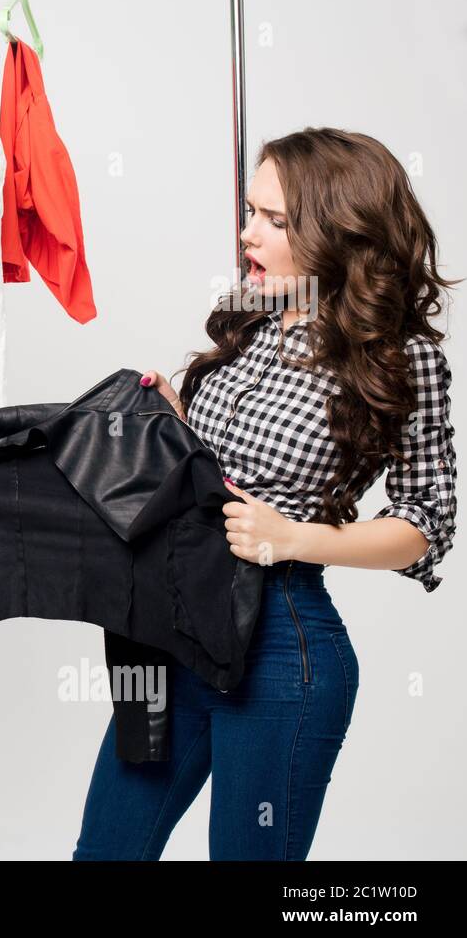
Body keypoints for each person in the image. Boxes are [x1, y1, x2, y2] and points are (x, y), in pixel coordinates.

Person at [74, 127, 458, 860]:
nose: (248, 234)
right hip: (164, 632)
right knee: (105, 852)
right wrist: (171, 421)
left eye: (275, 221)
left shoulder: (401, 357)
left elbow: (425, 525)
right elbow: (215, 474)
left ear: (338, 231)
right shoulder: (250, 317)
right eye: (250, 212)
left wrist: (293, 537)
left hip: (281, 649)